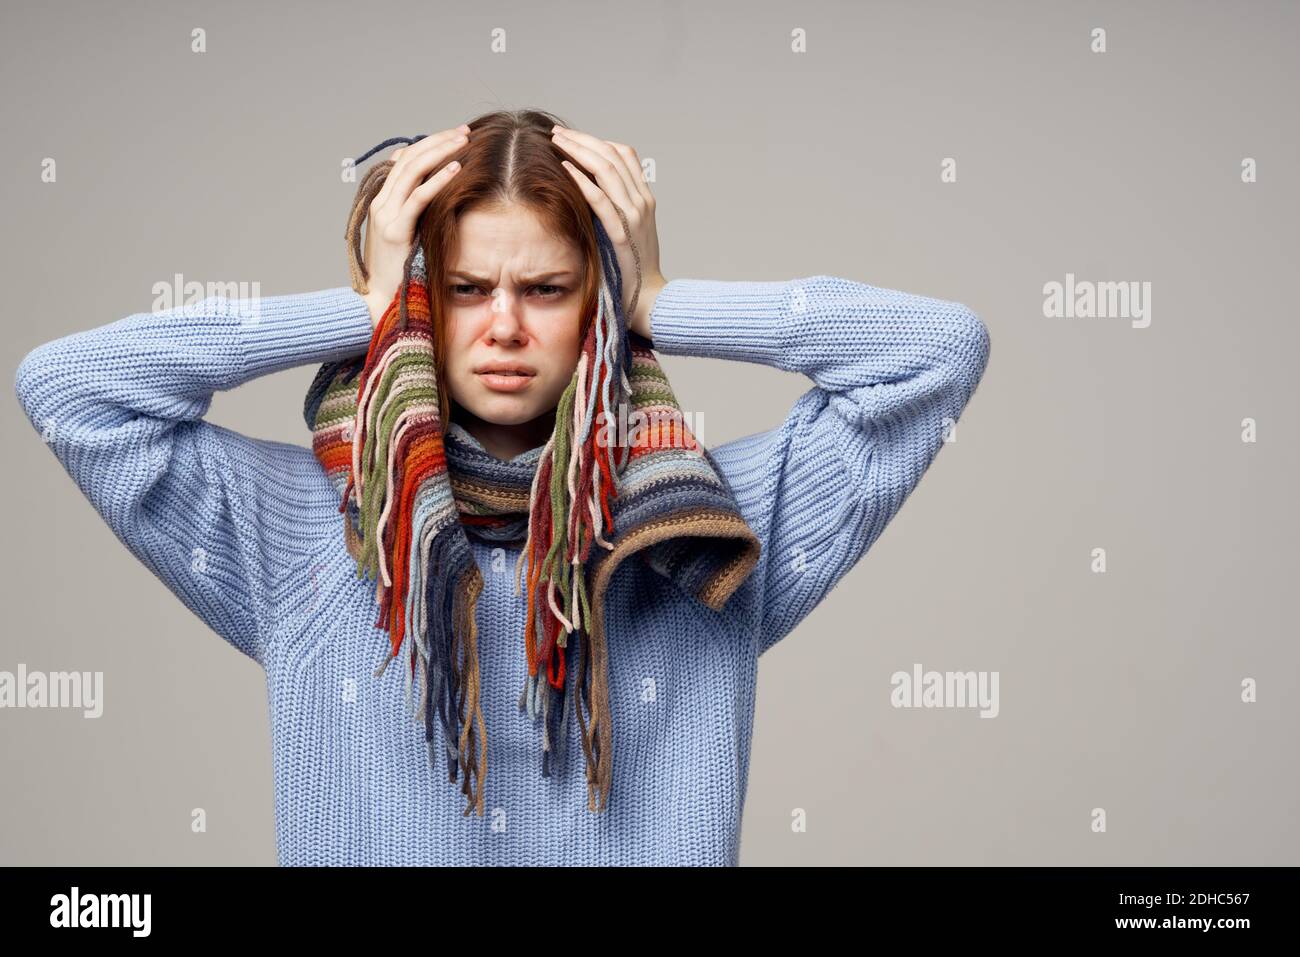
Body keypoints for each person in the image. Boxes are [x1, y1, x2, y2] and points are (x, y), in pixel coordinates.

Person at [13, 108, 991, 865]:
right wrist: (368, 306)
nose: (506, 327)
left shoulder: (698, 530)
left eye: (548, 289)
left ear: (596, 303)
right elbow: (71, 390)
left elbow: (936, 352)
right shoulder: (311, 522)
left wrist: (658, 298)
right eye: (465, 289)